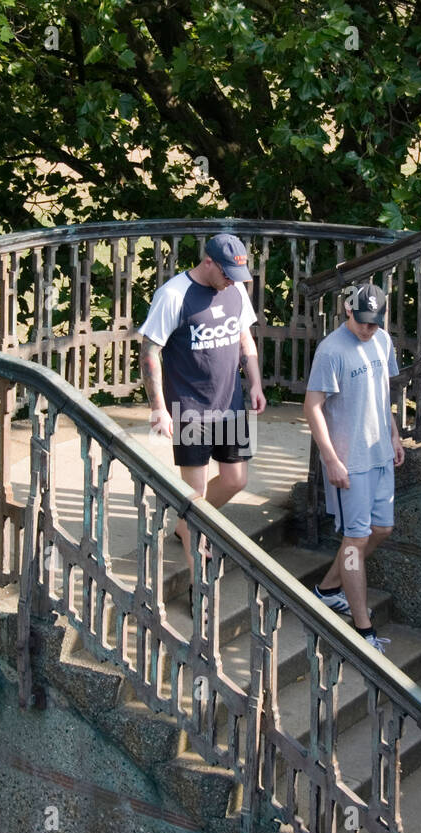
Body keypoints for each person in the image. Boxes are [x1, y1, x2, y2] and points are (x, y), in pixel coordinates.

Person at [139, 233, 267, 579]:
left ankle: (185, 522)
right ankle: (200, 581)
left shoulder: (235, 288)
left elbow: (244, 337)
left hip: (231, 402)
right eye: (226, 274)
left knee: (236, 479)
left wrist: (254, 381)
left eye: (236, 276)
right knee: (195, 492)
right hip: (191, 406)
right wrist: (159, 409)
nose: (231, 282)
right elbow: (149, 351)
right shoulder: (173, 295)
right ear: (207, 262)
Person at [303, 282, 403, 652]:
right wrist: (330, 459)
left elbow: (382, 393)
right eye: (362, 322)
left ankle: (328, 589)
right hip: (351, 462)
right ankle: (363, 629)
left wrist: (393, 434)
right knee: (355, 540)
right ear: (348, 311)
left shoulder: (382, 341)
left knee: (382, 529)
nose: (367, 329)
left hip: (380, 454)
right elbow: (312, 406)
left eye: (374, 323)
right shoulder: (330, 351)